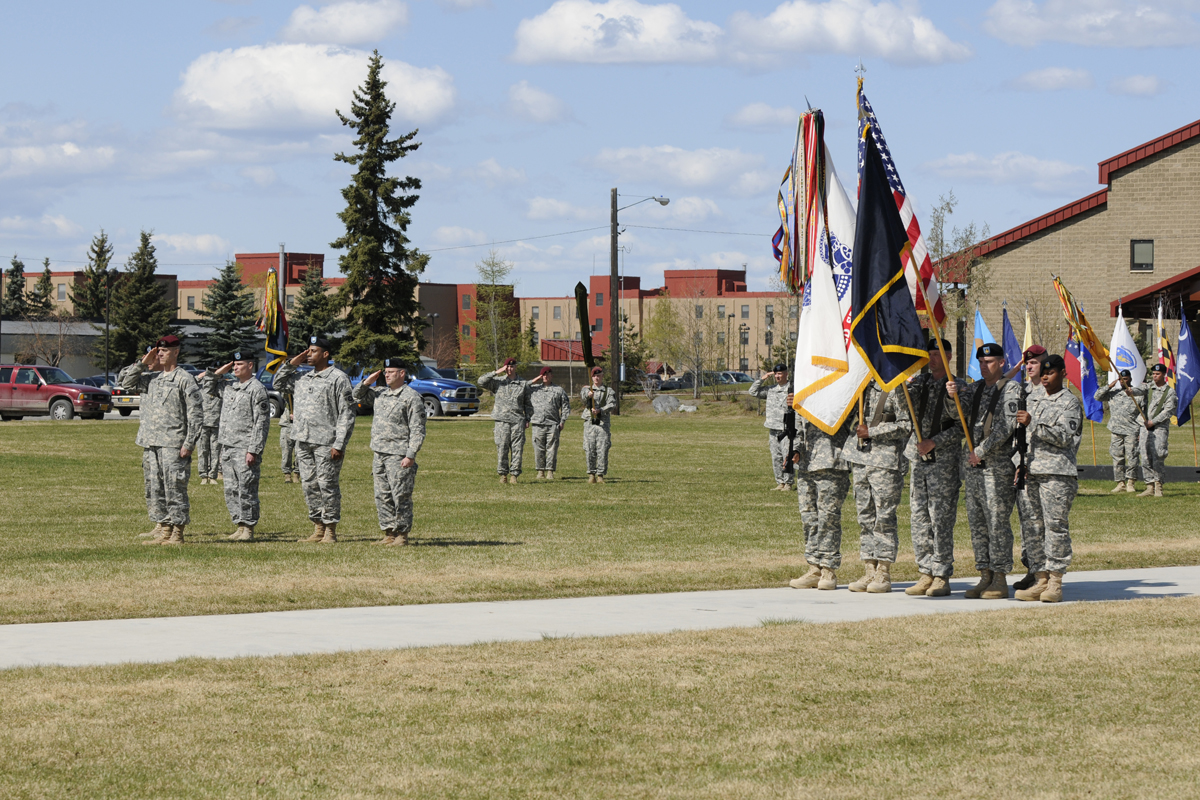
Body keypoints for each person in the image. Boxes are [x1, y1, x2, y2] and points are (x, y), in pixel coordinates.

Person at [948, 342, 1022, 599]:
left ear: (1001, 363)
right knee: (978, 524)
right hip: (974, 469)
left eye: (989, 362)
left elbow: (1006, 426)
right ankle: (985, 575)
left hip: (996, 467)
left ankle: (1000, 577)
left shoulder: (1010, 389)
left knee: (996, 523)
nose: (984, 366)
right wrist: (951, 396)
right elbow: (957, 415)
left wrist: (980, 451)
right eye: (980, 362)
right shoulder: (976, 388)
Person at [118, 334, 204, 545]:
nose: (160, 354)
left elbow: (196, 415)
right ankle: (164, 529)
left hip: (173, 443)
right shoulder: (152, 379)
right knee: (155, 488)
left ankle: (177, 533)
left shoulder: (184, 379)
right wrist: (142, 363)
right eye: (158, 351)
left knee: (175, 488)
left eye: (164, 351)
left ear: (176, 352)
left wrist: (189, 443)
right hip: (151, 442)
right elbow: (126, 383)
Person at [1013, 355, 1083, 602]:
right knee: (1032, 527)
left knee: (1055, 527)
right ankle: (1039, 579)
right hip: (1030, 471)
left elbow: (1064, 437)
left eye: (1050, 373)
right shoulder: (1032, 398)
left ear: (1062, 373)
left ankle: (1055, 581)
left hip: (1057, 474)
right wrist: (1019, 463)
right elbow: (1021, 437)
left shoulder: (1070, 402)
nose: (1044, 376)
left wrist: (1034, 423)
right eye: (1043, 372)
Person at [273, 336, 356, 543]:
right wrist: (292, 363)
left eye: (313, 351)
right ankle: (318, 527)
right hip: (303, 440)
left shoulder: (338, 378)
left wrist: (339, 444)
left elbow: (347, 414)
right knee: (309, 485)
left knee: (327, 485)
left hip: (327, 442)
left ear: (325, 354)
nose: (308, 354)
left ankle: (330, 529)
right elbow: (278, 383)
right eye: (307, 351)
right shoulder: (302, 378)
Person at [903, 339, 963, 598]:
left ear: (948, 355)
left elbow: (963, 427)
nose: (932, 358)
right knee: (919, 518)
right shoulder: (920, 383)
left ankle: (941, 575)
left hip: (943, 462)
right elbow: (905, 408)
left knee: (940, 519)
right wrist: (902, 383)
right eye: (928, 353)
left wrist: (934, 442)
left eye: (937, 353)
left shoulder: (958, 386)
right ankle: (925, 571)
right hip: (919, 461)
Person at [843, 379, 912, 594]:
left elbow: (906, 425)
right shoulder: (862, 386)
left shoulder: (895, 387)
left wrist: (872, 432)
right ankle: (869, 569)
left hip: (885, 462)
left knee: (884, 518)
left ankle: (883, 571)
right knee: (865, 517)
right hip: (861, 458)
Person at [353, 358, 426, 546]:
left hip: (399, 454)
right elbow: (356, 395)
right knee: (382, 495)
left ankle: (402, 534)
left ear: (402, 373)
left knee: (400, 495)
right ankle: (389, 533)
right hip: (379, 452)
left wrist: (410, 454)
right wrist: (367, 382)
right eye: (385, 372)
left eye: (391, 372)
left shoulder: (411, 397)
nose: (387, 375)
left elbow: (418, 429)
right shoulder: (380, 393)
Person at [205, 353, 271, 541]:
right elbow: (207, 386)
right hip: (227, 446)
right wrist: (220, 371)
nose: (235, 367)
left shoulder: (257, 389)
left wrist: (254, 449)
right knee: (231, 489)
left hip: (245, 447)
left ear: (250, 366)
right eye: (234, 364)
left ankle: (248, 527)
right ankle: (239, 525)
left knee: (246, 488)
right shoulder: (229, 387)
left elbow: (261, 423)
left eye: (239, 364)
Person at [788, 405, 855, 590]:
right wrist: (796, 449)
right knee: (809, 518)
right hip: (807, 463)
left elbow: (841, 417)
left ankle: (828, 569)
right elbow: (799, 428)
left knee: (828, 518)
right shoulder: (807, 394)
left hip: (831, 460)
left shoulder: (838, 393)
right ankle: (814, 568)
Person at [1013, 345, 1048, 592]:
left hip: (1044, 466)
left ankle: (1045, 573)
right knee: (1027, 522)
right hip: (1023, 465)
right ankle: (1032, 568)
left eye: (1034, 362)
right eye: (1027, 363)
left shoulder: (1052, 392)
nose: (1029, 366)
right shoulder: (1022, 392)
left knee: (1043, 524)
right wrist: (1018, 463)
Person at [478, 357, 533, 484]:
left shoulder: (523, 384)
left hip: (517, 421)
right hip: (501, 421)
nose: (509, 369)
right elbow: (481, 381)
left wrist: (527, 418)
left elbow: (528, 403)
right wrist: (496, 372)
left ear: (516, 367)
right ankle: (503, 474)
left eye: (512, 366)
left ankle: (514, 475)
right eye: (507, 366)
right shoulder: (498, 382)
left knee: (517, 449)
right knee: (502, 448)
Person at [1094, 369, 1146, 493]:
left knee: (1132, 456)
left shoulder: (1137, 394)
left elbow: (1143, 413)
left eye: (1125, 379)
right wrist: (1109, 386)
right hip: (1116, 429)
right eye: (1121, 379)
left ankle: (1131, 482)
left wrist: (1141, 430)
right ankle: (1120, 482)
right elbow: (1097, 396)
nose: (1123, 381)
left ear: (1130, 379)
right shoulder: (1113, 393)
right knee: (1117, 456)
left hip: (1131, 430)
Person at [748, 363, 797, 491]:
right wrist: (762, 379)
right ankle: (780, 482)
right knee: (776, 457)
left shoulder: (792, 389)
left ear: (786, 374)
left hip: (786, 429)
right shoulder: (771, 390)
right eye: (775, 374)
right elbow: (752, 392)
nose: (777, 376)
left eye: (780, 373)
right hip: (773, 428)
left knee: (787, 455)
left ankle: (788, 483)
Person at [1138, 363, 1176, 497]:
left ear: (1164, 375)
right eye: (1153, 374)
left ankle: (1158, 485)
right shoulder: (1148, 388)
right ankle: (1149, 486)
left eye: (1157, 374)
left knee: (1158, 455)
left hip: (1159, 428)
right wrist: (1130, 391)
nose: (1155, 376)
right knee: (1145, 456)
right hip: (1145, 428)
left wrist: (1153, 422)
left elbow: (1168, 411)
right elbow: (1137, 390)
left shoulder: (1169, 392)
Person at [528, 367, 570, 479]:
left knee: (552, 449)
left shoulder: (558, 390)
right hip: (537, 423)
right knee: (538, 448)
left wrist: (562, 421)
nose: (546, 376)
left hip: (553, 424)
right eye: (543, 374)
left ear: (552, 375)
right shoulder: (534, 389)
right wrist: (535, 380)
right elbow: (523, 387)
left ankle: (550, 471)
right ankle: (540, 471)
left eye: (548, 374)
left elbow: (566, 406)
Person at [582, 366, 616, 483]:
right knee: (589, 448)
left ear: (602, 376)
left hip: (603, 424)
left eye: (598, 375)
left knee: (603, 449)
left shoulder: (608, 391)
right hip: (590, 423)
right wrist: (588, 396)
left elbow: (612, 404)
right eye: (594, 376)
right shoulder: (587, 389)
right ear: (591, 377)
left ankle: (600, 475)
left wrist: (600, 410)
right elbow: (582, 398)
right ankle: (591, 474)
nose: (596, 378)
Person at [196, 362, 223, 485]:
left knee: (215, 450)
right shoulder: (202, 384)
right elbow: (191, 382)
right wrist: (202, 375)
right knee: (202, 450)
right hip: (203, 422)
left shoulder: (222, 385)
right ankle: (203, 475)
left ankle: (213, 475)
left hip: (217, 423)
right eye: (213, 370)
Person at [279, 388, 299, 483]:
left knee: (300, 452)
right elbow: (280, 388)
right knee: (286, 451)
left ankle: (297, 474)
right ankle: (287, 475)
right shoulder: (288, 389)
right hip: (287, 423)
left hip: (301, 424)